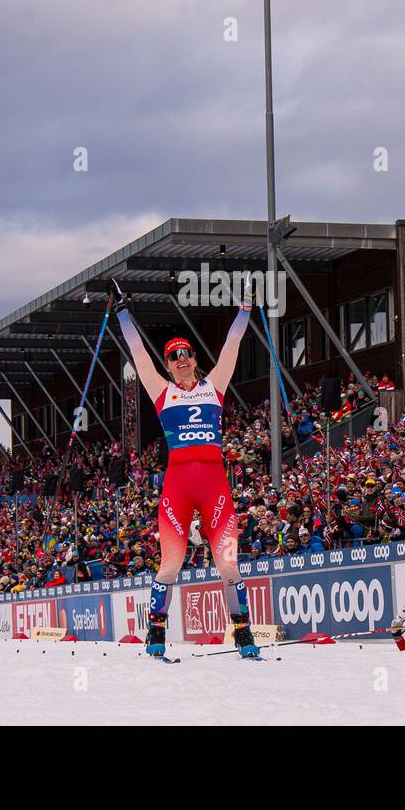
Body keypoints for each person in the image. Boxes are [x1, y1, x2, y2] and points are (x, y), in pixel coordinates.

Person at [113, 278, 257, 659]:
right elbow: (138, 353)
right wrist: (124, 313)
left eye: (186, 354)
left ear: (194, 359)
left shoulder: (215, 385)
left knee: (229, 565)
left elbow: (232, 345)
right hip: (177, 487)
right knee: (171, 564)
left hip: (214, 487)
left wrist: (244, 308)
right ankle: (156, 636)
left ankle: (244, 638)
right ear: (169, 365)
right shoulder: (162, 391)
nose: (181, 360)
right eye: (174, 356)